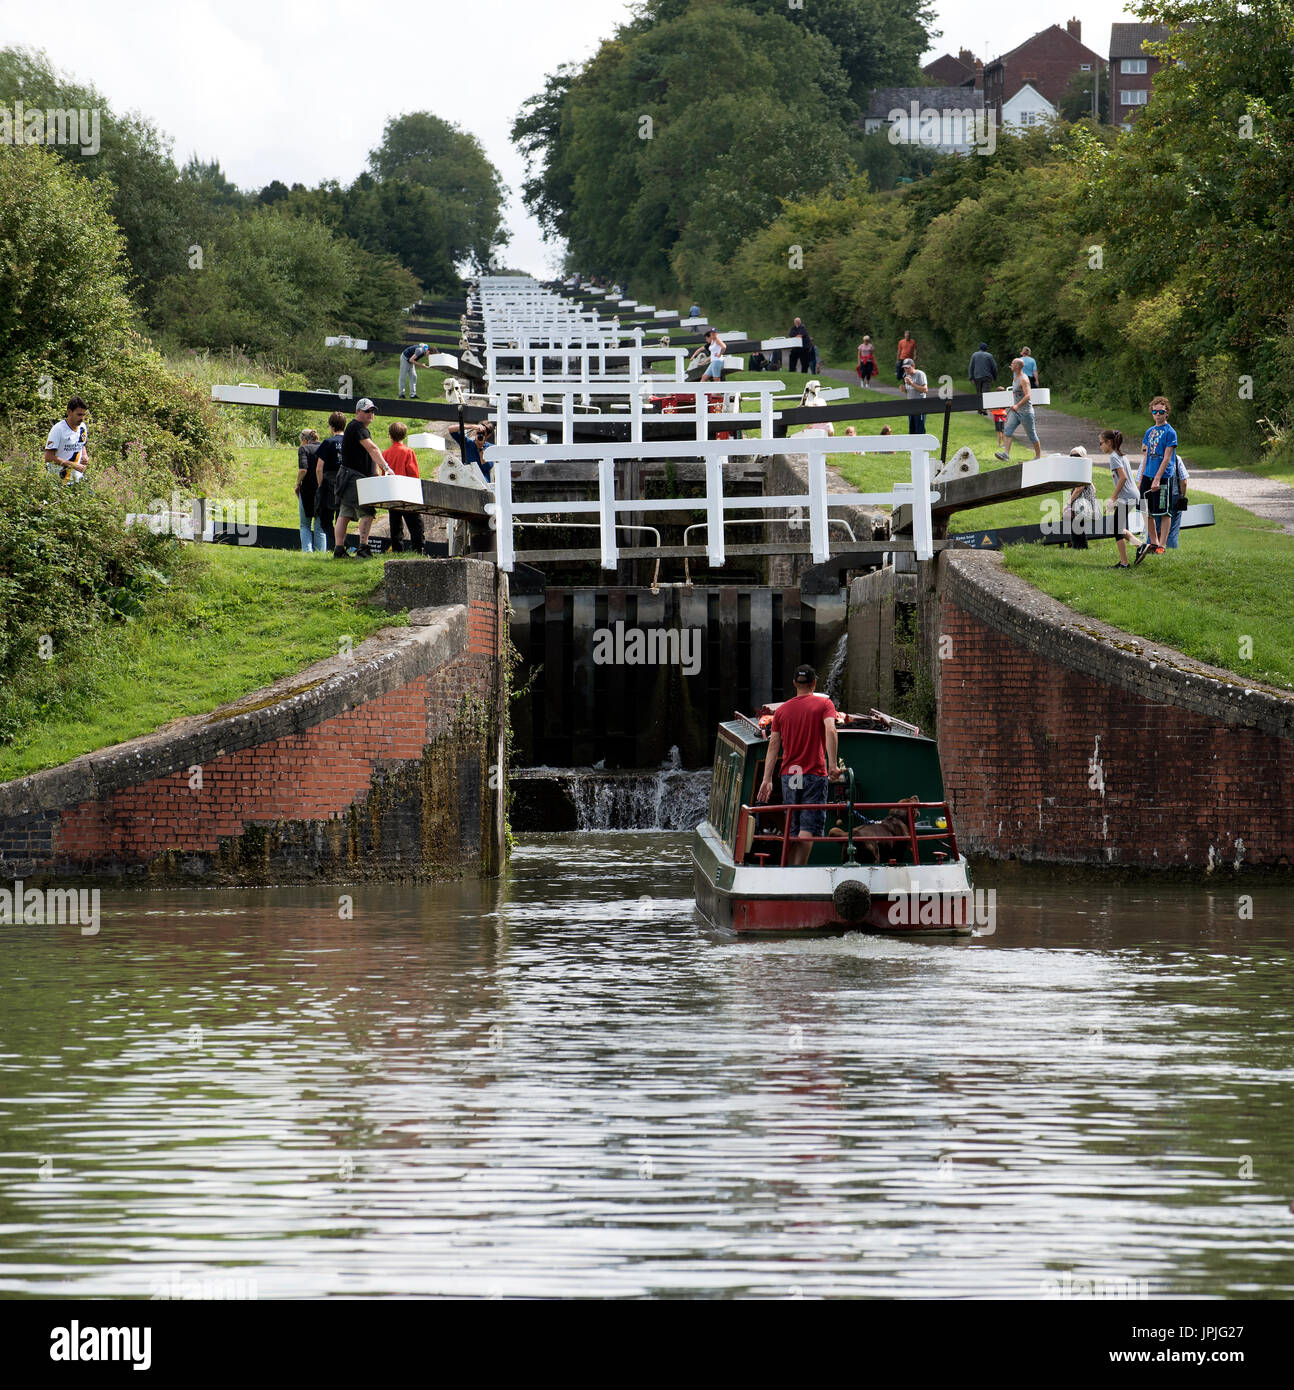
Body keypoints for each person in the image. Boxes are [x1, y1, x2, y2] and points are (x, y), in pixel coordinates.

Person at [755, 664, 841, 867]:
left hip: (791, 775)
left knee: (794, 827)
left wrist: (767, 780)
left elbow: (773, 746)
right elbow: (831, 731)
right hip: (813, 773)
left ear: (795, 683)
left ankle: (791, 869)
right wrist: (833, 764)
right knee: (808, 828)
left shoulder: (782, 711)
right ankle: (798, 871)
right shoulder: (824, 705)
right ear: (814, 683)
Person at [333, 399, 394, 559]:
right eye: (367, 411)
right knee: (367, 512)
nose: (370, 414)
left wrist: (375, 473)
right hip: (354, 478)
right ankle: (363, 548)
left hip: (349, 477)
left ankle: (339, 550)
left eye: (372, 411)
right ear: (357, 412)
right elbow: (372, 449)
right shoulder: (358, 427)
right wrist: (387, 468)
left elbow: (368, 454)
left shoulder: (356, 428)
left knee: (344, 514)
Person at [1135, 396, 1178, 562]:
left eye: (1161, 411)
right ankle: (1153, 542)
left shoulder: (1170, 432)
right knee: (1145, 510)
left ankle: (1162, 545)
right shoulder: (1149, 432)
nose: (1158, 415)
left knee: (1163, 511)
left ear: (1166, 412)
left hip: (1163, 476)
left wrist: (1157, 479)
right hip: (1148, 474)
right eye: (1155, 411)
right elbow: (1146, 456)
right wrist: (1141, 478)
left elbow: (1167, 458)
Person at [1099, 427, 1143, 569]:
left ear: (1109, 442)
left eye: (1101, 443)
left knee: (1116, 529)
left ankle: (1125, 562)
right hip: (1131, 494)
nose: (1100, 446)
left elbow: (1123, 478)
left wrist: (1112, 498)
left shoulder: (1113, 457)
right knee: (1116, 527)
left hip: (1128, 495)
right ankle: (1140, 546)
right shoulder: (1121, 455)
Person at [382, 421, 425, 554]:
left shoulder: (385, 454)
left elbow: (384, 472)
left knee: (395, 525)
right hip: (407, 493)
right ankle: (418, 550)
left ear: (390, 436)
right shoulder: (408, 452)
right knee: (416, 525)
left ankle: (397, 550)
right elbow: (413, 473)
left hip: (392, 493)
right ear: (404, 435)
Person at [995, 359, 1042, 461]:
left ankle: (1038, 457)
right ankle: (1006, 455)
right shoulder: (1015, 377)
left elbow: (1028, 395)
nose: (1011, 365)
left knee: (1032, 435)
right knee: (1007, 430)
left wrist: (1017, 405)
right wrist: (1014, 406)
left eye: (1012, 363)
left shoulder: (1024, 379)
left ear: (1017, 366)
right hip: (1016, 412)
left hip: (1026, 413)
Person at [313, 411, 347, 543]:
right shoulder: (350, 442)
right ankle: (342, 546)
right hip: (346, 483)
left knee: (325, 520)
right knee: (342, 518)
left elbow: (319, 468)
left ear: (331, 426)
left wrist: (321, 485)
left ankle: (341, 545)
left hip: (330, 483)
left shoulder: (328, 442)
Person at [44, 396, 91, 484]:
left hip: (77, 479)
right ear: (69, 412)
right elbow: (48, 457)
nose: (82, 418)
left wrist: (85, 456)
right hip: (59, 480)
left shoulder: (82, 427)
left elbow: (82, 445)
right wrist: (73, 465)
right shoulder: (58, 429)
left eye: (84, 415)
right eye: (79, 415)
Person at [296, 428, 327, 552]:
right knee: (320, 526)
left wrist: (297, 483)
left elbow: (303, 469)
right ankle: (321, 553)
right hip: (323, 490)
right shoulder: (325, 447)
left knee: (305, 525)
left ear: (304, 440)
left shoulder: (304, 449)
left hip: (307, 491)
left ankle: (307, 553)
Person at [1061, 446, 1098, 549]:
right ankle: (1082, 548)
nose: (1073, 458)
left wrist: (1068, 503)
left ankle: (1079, 548)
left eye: (1076, 456)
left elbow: (1079, 488)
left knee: (1076, 528)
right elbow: (1093, 489)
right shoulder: (1083, 469)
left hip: (1081, 504)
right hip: (1085, 504)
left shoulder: (1080, 470)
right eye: (1071, 456)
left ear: (1082, 457)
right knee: (1079, 528)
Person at [449, 419, 496, 483]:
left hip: (483, 483)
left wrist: (480, 449)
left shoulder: (491, 448)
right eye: (478, 432)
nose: (480, 435)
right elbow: (451, 429)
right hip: (468, 480)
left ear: (488, 435)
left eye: (483, 433)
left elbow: (487, 467)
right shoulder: (467, 443)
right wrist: (471, 426)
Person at [1165, 458, 1189, 548]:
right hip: (1175, 496)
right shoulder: (1176, 459)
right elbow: (1184, 481)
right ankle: (1171, 551)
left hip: (1158, 497)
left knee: (1157, 528)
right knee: (1173, 529)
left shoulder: (1153, 458)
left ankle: (1156, 551)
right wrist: (1182, 496)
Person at [901, 357, 927, 435]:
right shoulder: (906, 375)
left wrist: (911, 384)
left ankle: (922, 447)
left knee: (919, 430)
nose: (906, 370)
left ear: (913, 366)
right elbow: (909, 393)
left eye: (908, 368)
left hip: (920, 406)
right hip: (910, 406)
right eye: (904, 368)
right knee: (912, 430)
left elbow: (925, 389)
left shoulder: (920, 374)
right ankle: (912, 447)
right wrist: (904, 390)